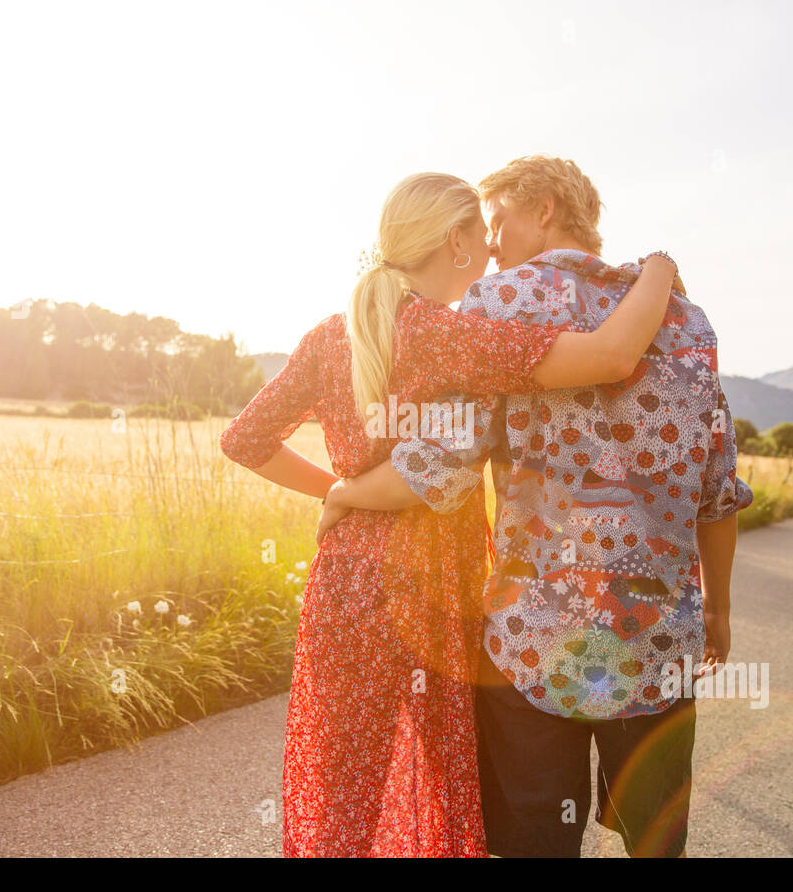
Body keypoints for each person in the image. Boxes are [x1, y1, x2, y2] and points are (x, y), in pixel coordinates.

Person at [219, 171, 678, 856]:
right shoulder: (452, 335)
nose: (494, 258)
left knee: (345, 787)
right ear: (456, 240)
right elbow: (613, 356)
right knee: (442, 785)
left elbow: (243, 440)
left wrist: (338, 494)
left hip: (344, 582)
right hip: (433, 588)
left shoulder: (328, 336)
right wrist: (660, 272)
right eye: (483, 241)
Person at [318, 155, 751, 857]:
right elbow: (717, 491)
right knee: (656, 841)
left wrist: (346, 492)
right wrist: (720, 612)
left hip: (529, 643)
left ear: (543, 208)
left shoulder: (497, 303)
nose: (490, 244)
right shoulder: (687, 318)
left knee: (531, 845)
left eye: (498, 221)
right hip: (657, 640)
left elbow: (442, 468)